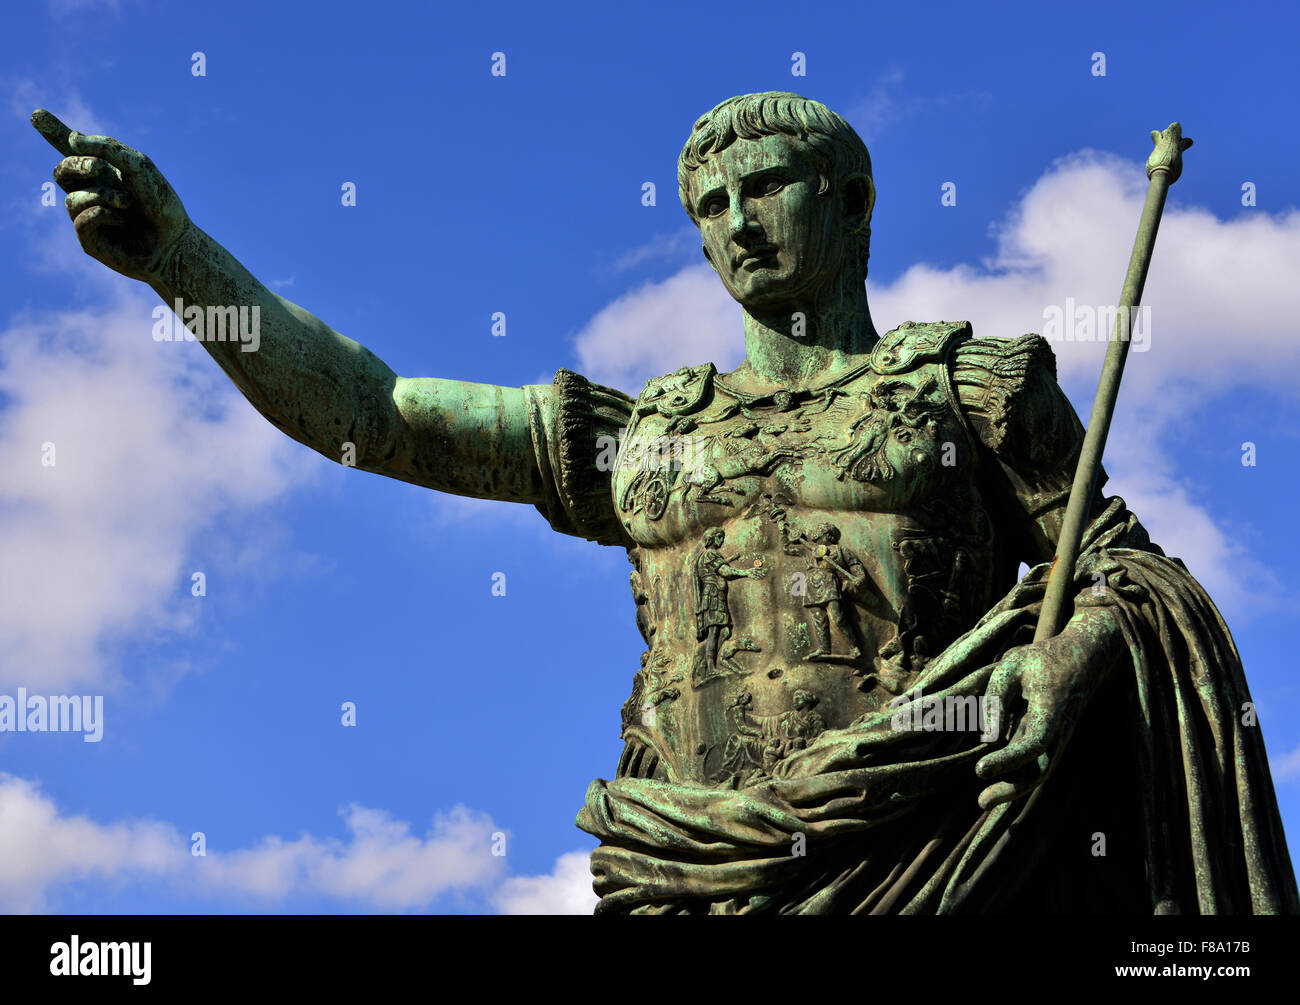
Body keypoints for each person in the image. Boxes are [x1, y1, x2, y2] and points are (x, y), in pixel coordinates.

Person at [35, 91, 1298, 914]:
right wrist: (176, 261)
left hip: (928, 860)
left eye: (767, 187)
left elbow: (1128, 577)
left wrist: (1068, 655)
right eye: (709, 207)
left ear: (853, 201)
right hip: (689, 867)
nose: (737, 223)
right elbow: (370, 414)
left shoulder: (968, 388)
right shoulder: (646, 436)